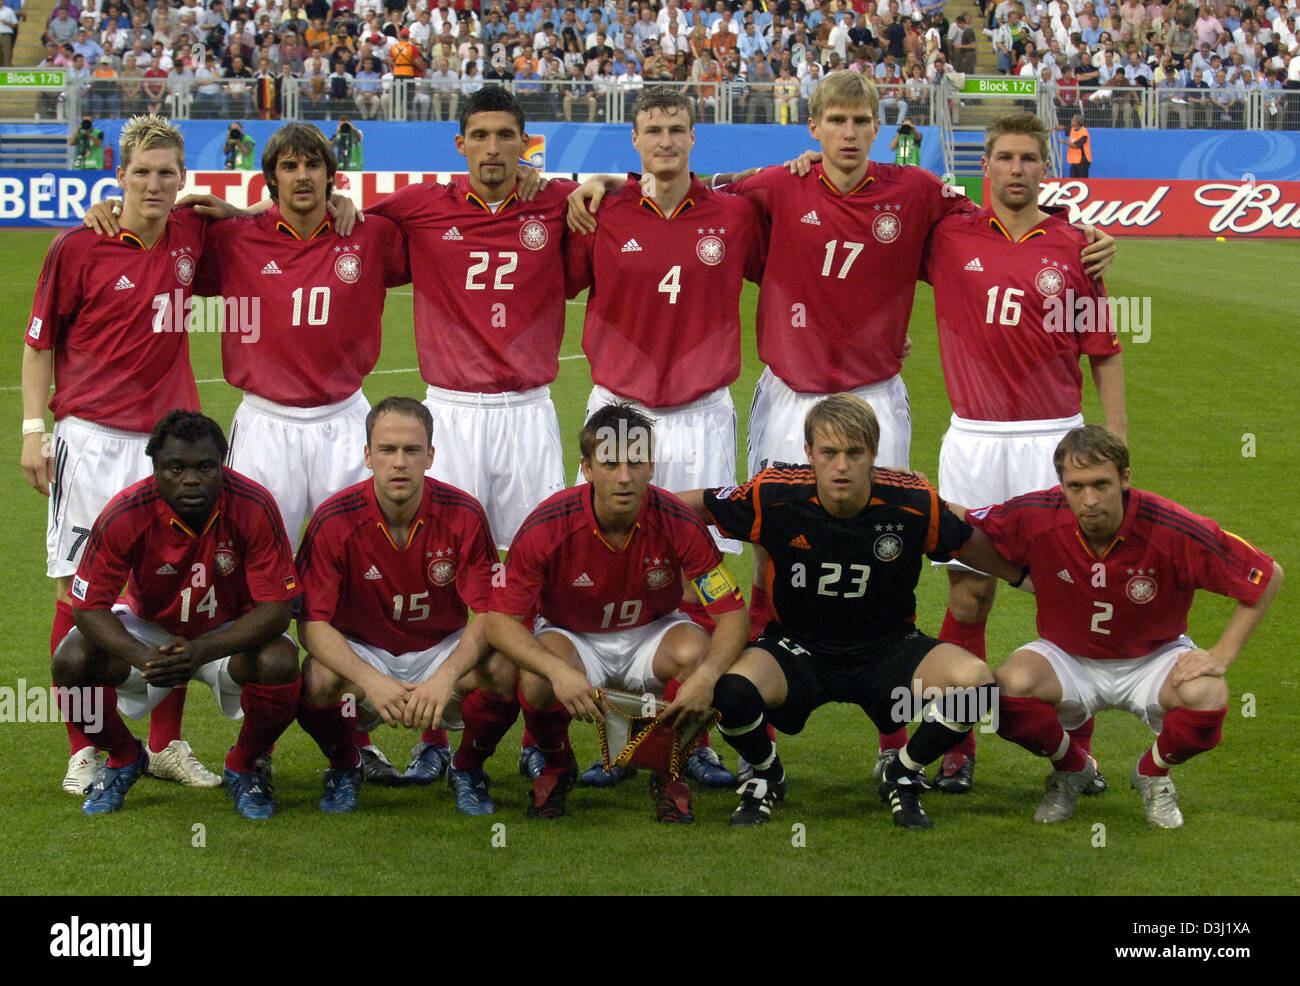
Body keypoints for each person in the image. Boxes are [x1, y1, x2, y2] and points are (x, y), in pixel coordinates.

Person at [677, 395, 1026, 829]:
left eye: (854, 453)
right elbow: (692, 505)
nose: (841, 466)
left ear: (874, 455)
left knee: (977, 685)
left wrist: (1027, 578)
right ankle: (767, 774)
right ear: (809, 455)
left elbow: (970, 542)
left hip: (888, 651)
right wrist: (633, 517)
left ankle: (903, 771)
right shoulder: (775, 494)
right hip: (797, 650)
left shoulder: (913, 502)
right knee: (730, 691)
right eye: (829, 453)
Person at [920, 111, 1126, 794]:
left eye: (1028, 159)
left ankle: (1078, 754)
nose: (1015, 169)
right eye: (1004, 157)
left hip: (1052, 439)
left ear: (1046, 168)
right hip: (973, 439)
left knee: (1066, 598)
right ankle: (957, 745)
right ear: (988, 165)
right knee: (970, 593)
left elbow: (1103, 351)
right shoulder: (947, 234)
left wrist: (1117, 446)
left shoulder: (1074, 247)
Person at [22, 115, 216, 797]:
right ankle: (87, 747)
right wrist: (30, 429)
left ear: (183, 177)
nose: (155, 184)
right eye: (142, 173)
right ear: (120, 177)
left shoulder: (194, 234)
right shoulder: (78, 245)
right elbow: (39, 344)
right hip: (90, 439)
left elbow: (260, 225)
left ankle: (165, 744)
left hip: (169, 449)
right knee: (76, 593)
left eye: (167, 172)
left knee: (167, 594)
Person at [969, 426, 1281, 827]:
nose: (1090, 499)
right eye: (1076, 486)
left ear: (1126, 479)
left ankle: (1153, 773)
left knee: (1207, 696)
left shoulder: (1173, 526)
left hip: (1155, 657)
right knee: (1005, 692)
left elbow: (1265, 575)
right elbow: (967, 527)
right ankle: (1072, 768)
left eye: (1102, 484)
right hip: (1068, 657)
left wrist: (1221, 656)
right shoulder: (1036, 513)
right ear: (1061, 484)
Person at [486, 404, 749, 822]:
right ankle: (557, 765)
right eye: (610, 463)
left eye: (636, 462)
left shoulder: (680, 520)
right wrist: (557, 672)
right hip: (573, 636)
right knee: (537, 676)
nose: (624, 476)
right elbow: (498, 622)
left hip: (653, 633)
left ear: (651, 467)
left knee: (697, 654)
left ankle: (668, 771)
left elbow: (733, 613)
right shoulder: (547, 525)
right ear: (587, 468)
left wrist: (707, 676)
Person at [53, 411, 303, 818]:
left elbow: (276, 611)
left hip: (226, 633)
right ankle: (121, 756)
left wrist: (200, 650)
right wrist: (142, 657)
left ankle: (244, 763)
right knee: (71, 660)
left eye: (205, 467)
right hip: (149, 631)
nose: (191, 479)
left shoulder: (253, 504)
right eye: (176, 468)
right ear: (155, 469)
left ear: (223, 464)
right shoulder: (126, 512)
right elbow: (88, 607)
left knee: (281, 661)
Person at [295, 398, 520, 814]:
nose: (399, 462)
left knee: (504, 669)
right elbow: (312, 624)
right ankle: (345, 765)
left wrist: (446, 676)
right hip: (364, 651)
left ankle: (468, 768)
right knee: (315, 679)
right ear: (367, 455)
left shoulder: (465, 513)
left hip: (439, 651)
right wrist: (371, 679)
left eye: (412, 450)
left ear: (430, 456)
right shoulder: (333, 520)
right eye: (387, 450)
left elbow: (490, 613)